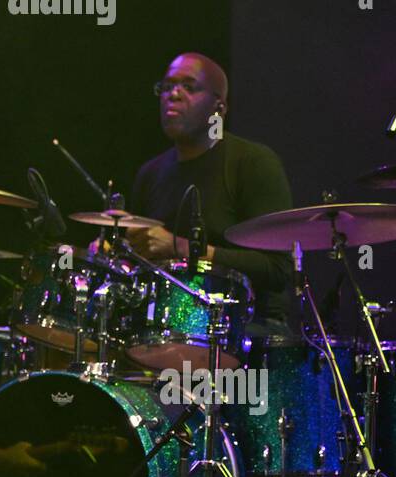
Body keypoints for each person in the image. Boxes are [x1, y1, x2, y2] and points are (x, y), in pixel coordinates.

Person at [124, 52, 294, 327]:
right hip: (164, 330)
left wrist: (182, 248)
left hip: (244, 334)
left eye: (188, 87)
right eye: (166, 87)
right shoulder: (150, 173)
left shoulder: (253, 162)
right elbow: (141, 264)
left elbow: (278, 269)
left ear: (219, 108)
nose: (173, 94)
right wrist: (118, 254)